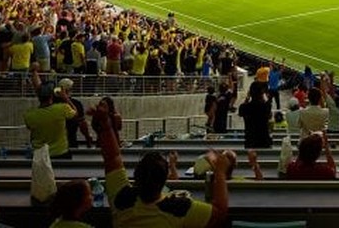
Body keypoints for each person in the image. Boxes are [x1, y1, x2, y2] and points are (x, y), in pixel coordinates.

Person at [92, 98, 233, 227]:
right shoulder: (180, 209)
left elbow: (112, 157)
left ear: (135, 175)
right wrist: (220, 173)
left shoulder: (121, 199)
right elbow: (220, 213)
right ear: (164, 180)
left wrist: (105, 126)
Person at [26, 66, 77, 159]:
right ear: (51, 96)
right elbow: (75, 113)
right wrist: (65, 98)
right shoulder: (62, 108)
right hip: (61, 154)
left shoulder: (29, 115)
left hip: (39, 156)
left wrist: (34, 72)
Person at [238, 80, 273, 149]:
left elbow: (241, 112)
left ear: (250, 93)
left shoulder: (244, 107)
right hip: (264, 141)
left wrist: (247, 98)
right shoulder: (266, 106)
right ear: (262, 94)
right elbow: (268, 109)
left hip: (250, 141)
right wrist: (264, 96)